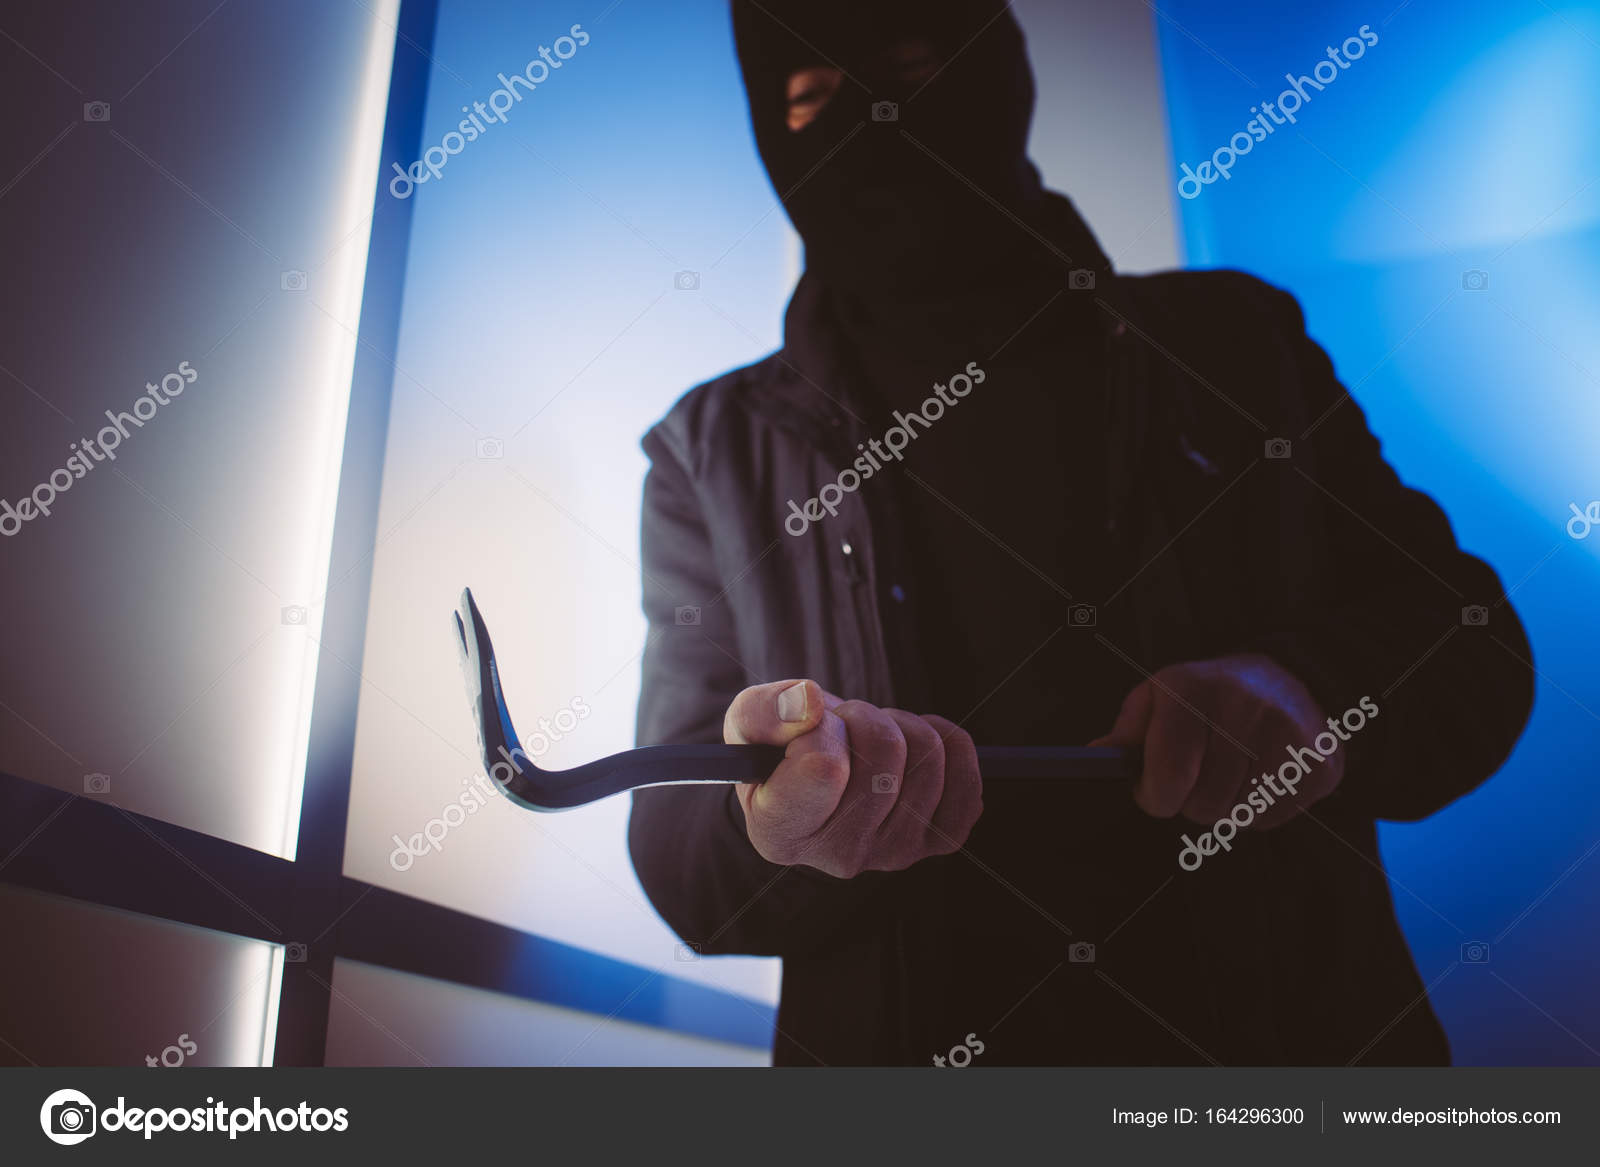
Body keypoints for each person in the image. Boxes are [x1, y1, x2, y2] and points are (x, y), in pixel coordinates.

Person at [627, 0, 1533, 1066]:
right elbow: (678, 852)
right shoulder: (708, 447)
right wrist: (771, 828)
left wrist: (1311, 692)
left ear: (997, 69)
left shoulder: (1234, 347)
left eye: (912, 67)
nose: (867, 123)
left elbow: (1470, 645)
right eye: (808, 98)